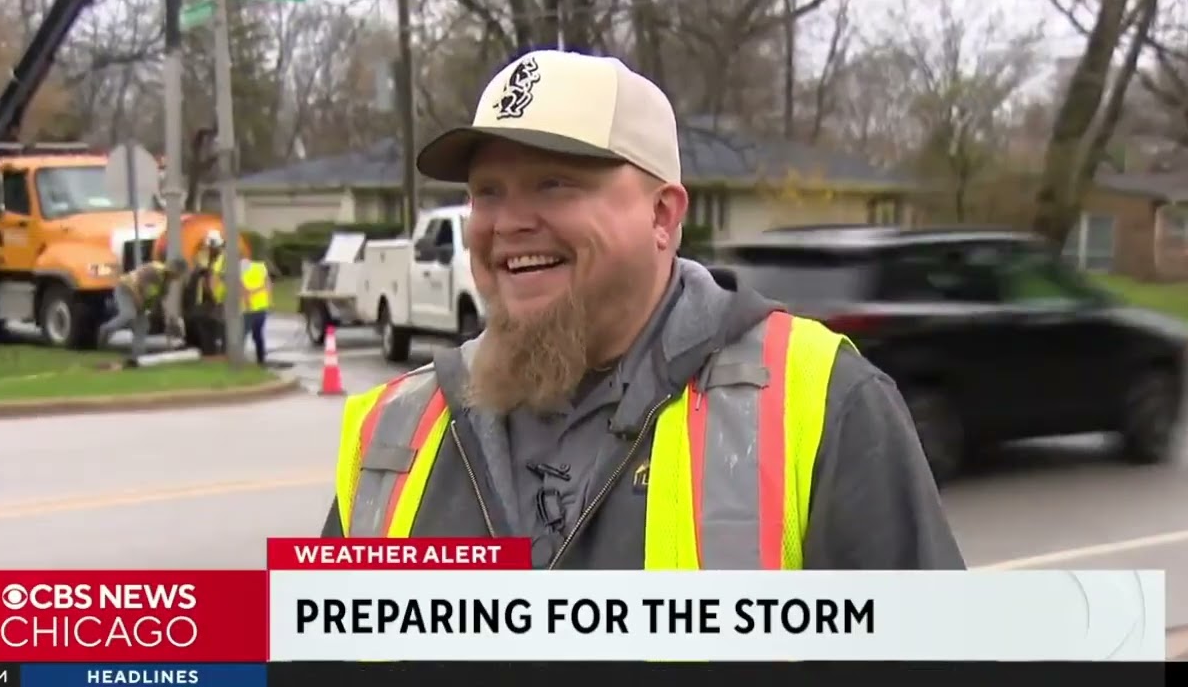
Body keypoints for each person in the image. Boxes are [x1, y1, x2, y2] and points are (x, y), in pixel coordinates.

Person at [319, 49, 966, 570]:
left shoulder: (820, 403)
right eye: (488, 192)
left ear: (663, 214)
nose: (509, 223)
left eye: (554, 183)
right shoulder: (394, 431)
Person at [98, 258, 188, 354]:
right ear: (175, 271)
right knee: (129, 314)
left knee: (143, 325)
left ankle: (138, 353)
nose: (177, 278)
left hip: (140, 298)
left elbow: (160, 300)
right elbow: (136, 283)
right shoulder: (155, 270)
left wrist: (167, 318)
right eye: (178, 274)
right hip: (125, 290)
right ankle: (106, 329)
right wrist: (139, 300)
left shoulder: (167, 283)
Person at [213, 256, 271, 365]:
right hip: (262, 307)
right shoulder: (260, 266)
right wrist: (261, 293)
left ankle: (238, 359)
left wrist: (248, 299)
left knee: (241, 334)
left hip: (248, 308)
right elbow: (268, 285)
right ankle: (261, 359)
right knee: (257, 335)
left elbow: (241, 288)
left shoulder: (238, 269)